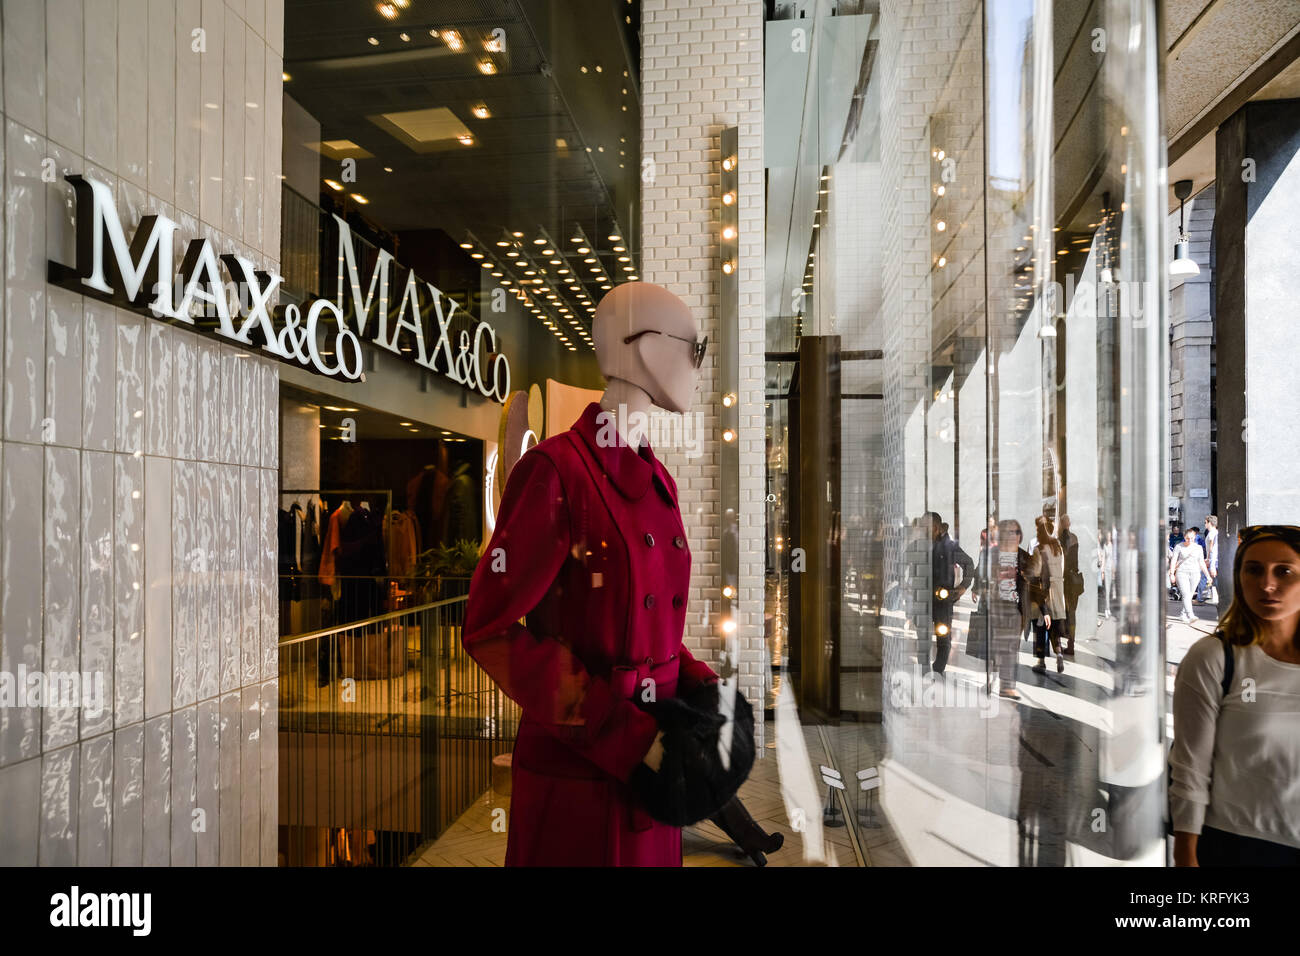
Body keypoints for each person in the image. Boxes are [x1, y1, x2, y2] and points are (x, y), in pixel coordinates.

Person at [1170, 525, 1300, 866]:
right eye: (1253, 570)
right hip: (1240, 844)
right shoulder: (1216, 658)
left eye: (1284, 571)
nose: (1267, 584)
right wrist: (1186, 854)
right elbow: (1190, 767)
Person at [912, 511, 975, 678]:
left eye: (926, 526)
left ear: (935, 527)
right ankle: (924, 671)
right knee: (923, 638)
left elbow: (969, 564)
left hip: (943, 601)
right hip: (923, 601)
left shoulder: (949, 546)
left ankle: (938, 670)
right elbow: (901, 563)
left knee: (943, 636)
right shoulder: (918, 545)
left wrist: (963, 587)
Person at [1028, 516, 1067, 674]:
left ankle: (1041, 661)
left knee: (1040, 626)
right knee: (1055, 626)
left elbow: (1036, 573)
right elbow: (1062, 568)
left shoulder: (1038, 549)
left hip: (1044, 589)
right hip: (1058, 589)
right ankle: (1058, 653)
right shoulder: (1058, 547)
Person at [1169, 527, 1210, 624]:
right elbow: (1174, 560)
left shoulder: (1198, 548)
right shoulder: (1179, 546)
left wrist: (1207, 575)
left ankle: (1183, 614)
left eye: (1192, 538)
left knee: (1189, 595)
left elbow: (1201, 563)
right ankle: (1190, 614)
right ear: (1184, 537)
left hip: (1195, 573)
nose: (1190, 540)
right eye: (1187, 538)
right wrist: (1171, 574)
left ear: (1195, 537)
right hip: (1182, 573)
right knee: (1186, 594)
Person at [1059, 515, 1083, 655]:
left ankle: (1065, 643)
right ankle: (1071, 643)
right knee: (1072, 613)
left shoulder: (1061, 539)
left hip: (1065, 580)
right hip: (1073, 580)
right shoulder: (1075, 538)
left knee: (1065, 612)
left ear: (1063, 524)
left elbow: (1063, 559)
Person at [1201, 515, 1220, 602]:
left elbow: (1212, 548)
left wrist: (1208, 559)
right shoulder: (1213, 532)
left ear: (1210, 523)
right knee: (1212, 580)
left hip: (1213, 560)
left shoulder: (1212, 533)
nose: (1205, 524)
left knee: (1206, 577)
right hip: (1212, 560)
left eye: (1205, 522)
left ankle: (1201, 597)